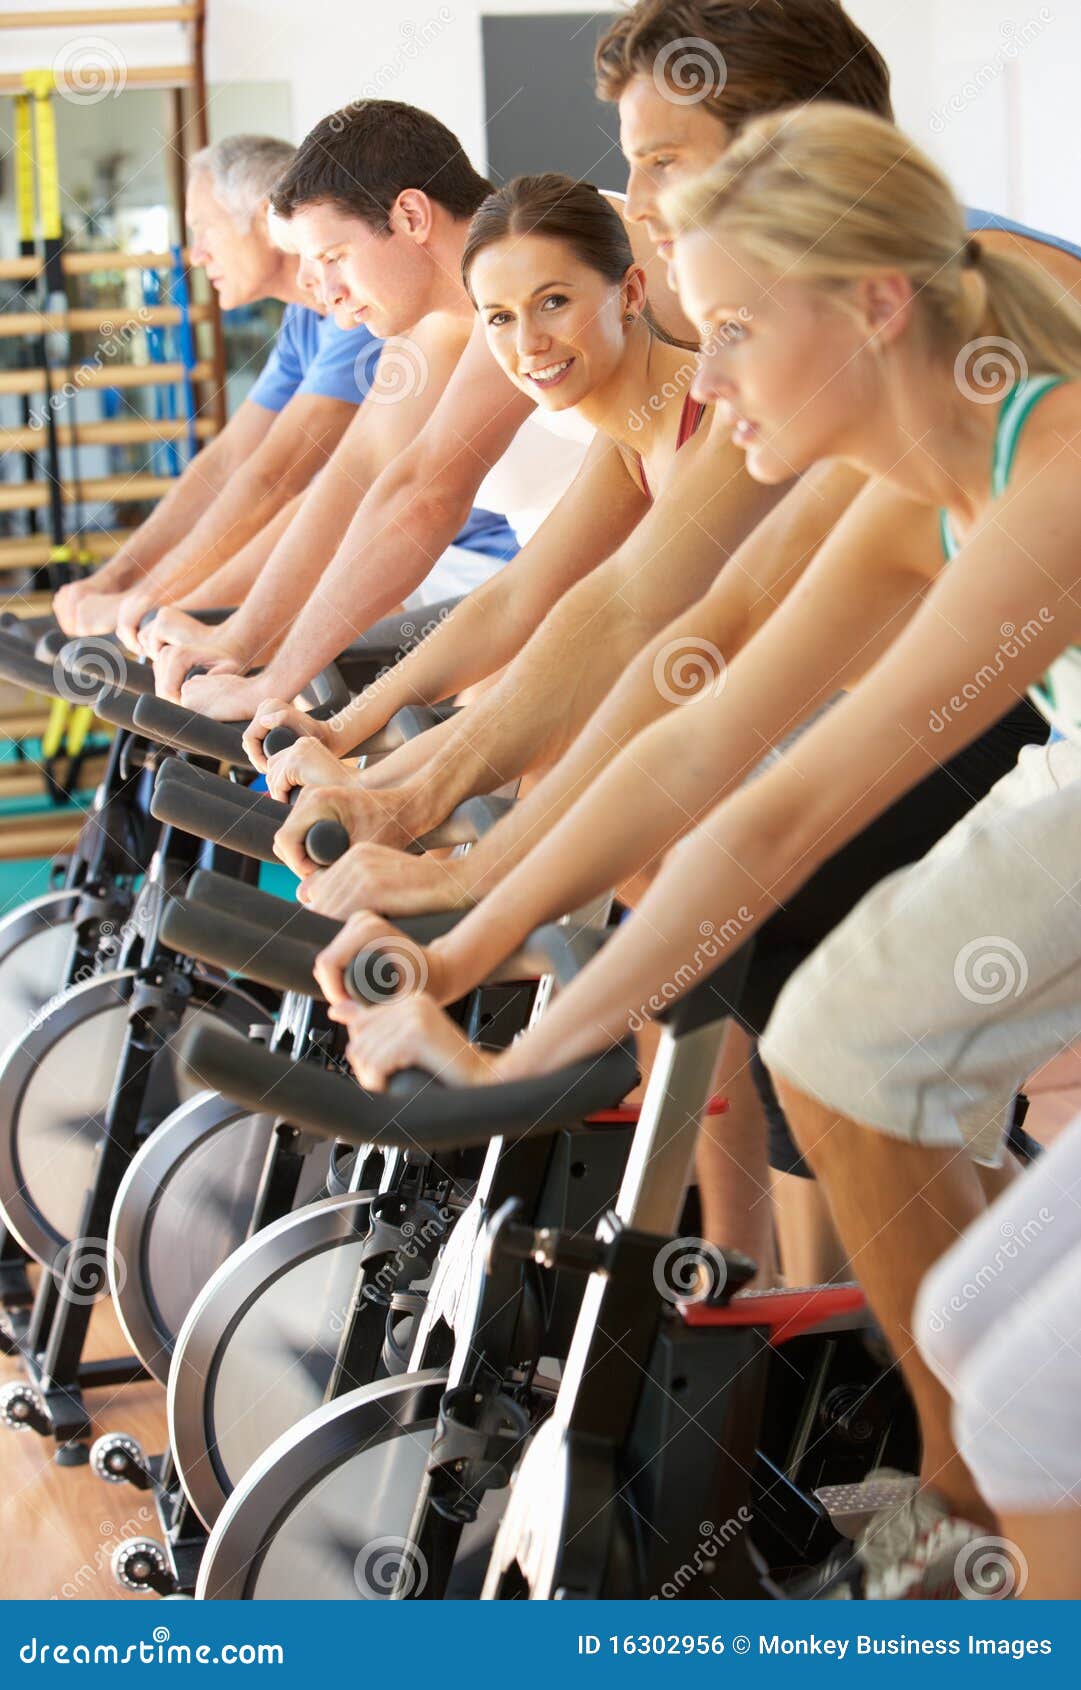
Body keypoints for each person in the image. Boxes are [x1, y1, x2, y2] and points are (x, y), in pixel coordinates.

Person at [313, 104, 1081, 1597]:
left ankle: (976, 1549)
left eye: (728, 328)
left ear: (872, 307)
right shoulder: (913, 482)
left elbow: (790, 813)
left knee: (1011, 1374)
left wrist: (514, 1016)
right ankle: (965, 1526)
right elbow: (702, 742)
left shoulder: (1050, 473)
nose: (703, 375)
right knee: (986, 1336)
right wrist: (475, 959)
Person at [149, 104, 711, 710]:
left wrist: (270, 679)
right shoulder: (442, 322)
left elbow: (428, 494)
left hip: (684, 574)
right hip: (566, 581)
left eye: (335, 256)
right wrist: (240, 644)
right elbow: (365, 477)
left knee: (459, 739)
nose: (327, 291)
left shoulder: (547, 262)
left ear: (412, 215)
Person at [250, 172, 714, 806]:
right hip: (747, 701)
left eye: (554, 302)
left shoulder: (708, 421)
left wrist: (379, 784)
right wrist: (338, 730)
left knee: (565, 773)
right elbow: (514, 599)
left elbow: (605, 637)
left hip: (841, 729)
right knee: (547, 776)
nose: (529, 344)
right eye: (499, 318)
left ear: (630, 292)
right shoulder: (627, 440)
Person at [52, 135, 376, 641]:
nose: (197, 255)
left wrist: (144, 603)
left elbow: (276, 479)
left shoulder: (359, 316)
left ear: (267, 218)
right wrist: (114, 581)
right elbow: (225, 463)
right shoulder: (302, 320)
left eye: (205, 230)